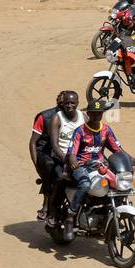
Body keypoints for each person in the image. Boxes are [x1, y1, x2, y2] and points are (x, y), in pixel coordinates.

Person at [62, 98, 135, 242]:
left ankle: (107, 217)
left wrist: (132, 159)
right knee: (85, 185)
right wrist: (73, 160)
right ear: (89, 114)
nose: (97, 116)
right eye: (94, 113)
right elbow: (72, 152)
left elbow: (118, 149)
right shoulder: (80, 131)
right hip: (82, 166)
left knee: (118, 185)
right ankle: (70, 217)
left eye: (99, 113)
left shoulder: (106, 130)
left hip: (100, 166)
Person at [30, 90, 78, 221]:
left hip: (64, 151)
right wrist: (37, 166)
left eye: (71, 103)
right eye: (65, 103)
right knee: (50, 166)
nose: (68, 106)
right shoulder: (45, 116)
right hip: (45, 150)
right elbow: (33, 142)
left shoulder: (76, 117)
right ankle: (46, 205)